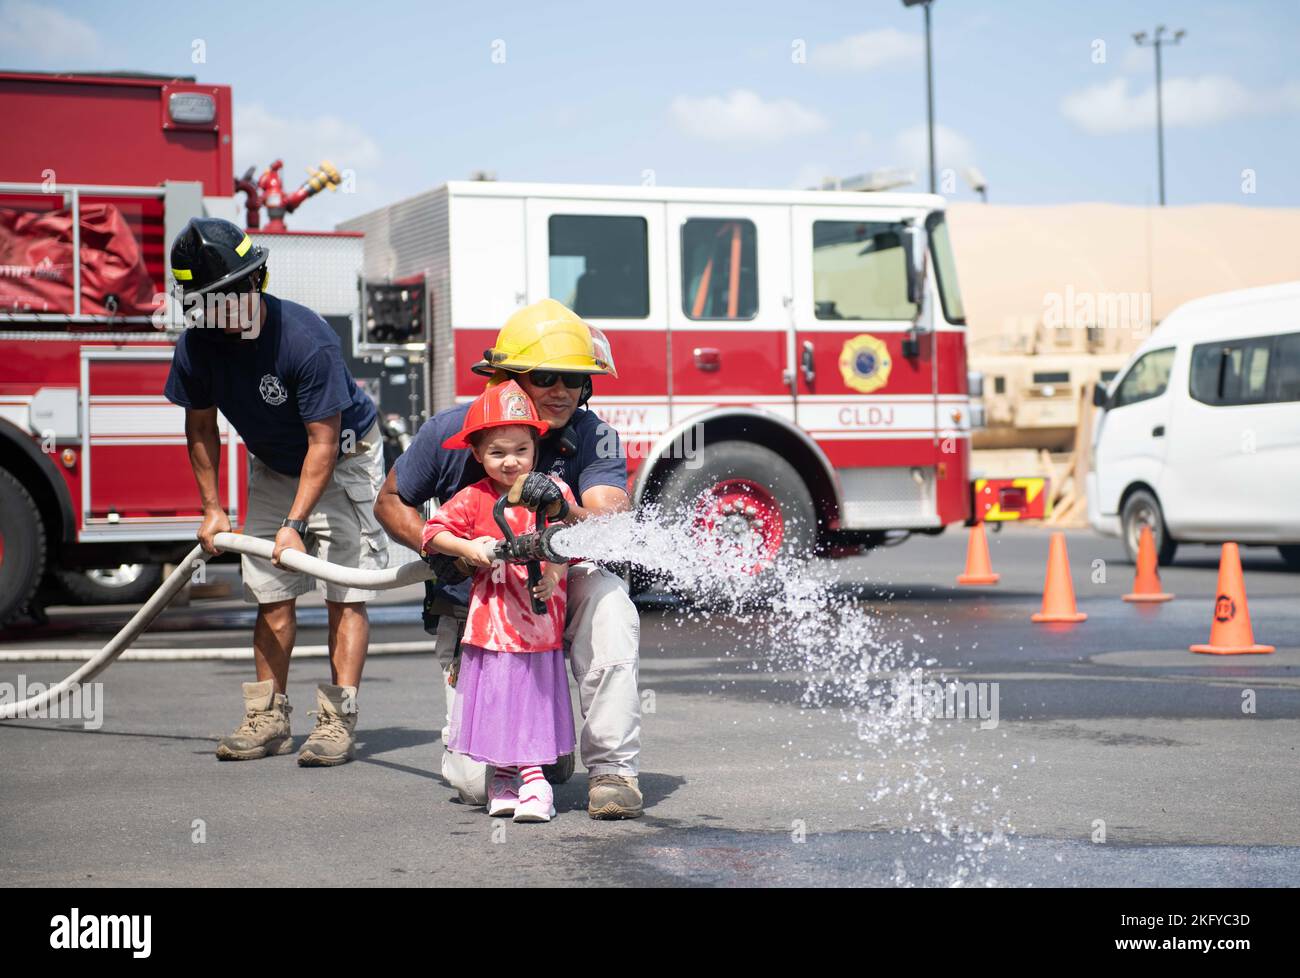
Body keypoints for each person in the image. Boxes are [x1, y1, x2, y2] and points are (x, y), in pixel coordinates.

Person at [374, 298, 643, 819]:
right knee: (476, 784)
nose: (563, 391)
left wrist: (562, 506)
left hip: (556, 589)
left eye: (576, 379)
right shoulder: (455, 432)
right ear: (505, 376)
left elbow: (610, 522)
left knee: (610, 600)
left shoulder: (594, 435)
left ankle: (612, 770)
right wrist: (438, 551)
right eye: (546, 377)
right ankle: (541, 749)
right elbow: (391, 501)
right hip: (479, 607)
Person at [163, 216, 387, 766]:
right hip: (274, 465)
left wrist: (296, 524)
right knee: (271, 593)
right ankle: (269, 717)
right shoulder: (198, 348)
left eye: (223, 297)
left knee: (345, 592)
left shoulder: (305, 340)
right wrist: (213, 509)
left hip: (344, 461)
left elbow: (323, 443)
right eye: (203, 303)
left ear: (253, 282)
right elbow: (200, 428)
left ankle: (337, 720)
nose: (213, 313)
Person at [421, 380, 579, 822]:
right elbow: (432, 532)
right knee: (496, 699)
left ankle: (534, 780)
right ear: (476, 454)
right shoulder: (473, 499)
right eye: (497, 453)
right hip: (490, 627)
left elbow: (569, 540)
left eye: (520, 450)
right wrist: (469, 549)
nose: (510, 461)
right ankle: (505, 778)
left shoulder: (552, 495)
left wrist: (554, 573)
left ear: (536, 447)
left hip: (537, 626)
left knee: (530, 700)